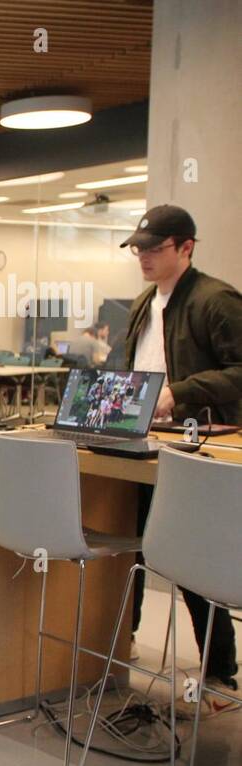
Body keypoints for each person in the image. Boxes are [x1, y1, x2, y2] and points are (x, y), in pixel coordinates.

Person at [122, 204, 242, 713]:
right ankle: (116, 645)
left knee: (192, 560)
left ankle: (219, 672)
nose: (143, 257)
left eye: (154, 248)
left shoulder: (217, 301)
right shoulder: (143, 304)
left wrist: (181, 392)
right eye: (138, 249)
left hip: (198, 446)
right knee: (134, 547)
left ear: (186, 247)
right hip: (143, 444)